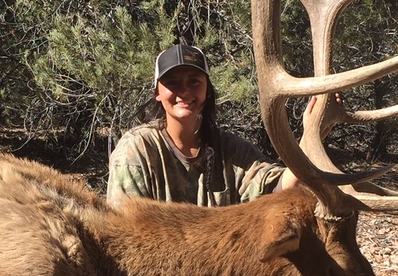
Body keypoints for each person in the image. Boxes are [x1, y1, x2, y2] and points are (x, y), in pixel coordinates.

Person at [106, 43, 304, 207]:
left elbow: (277, 189)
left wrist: (311, 135)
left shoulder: (231, 150)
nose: (184, 92)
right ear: (157, 92)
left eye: (194, 81)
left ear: (207, 90)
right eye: (172, 83)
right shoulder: (135, 151)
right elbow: (124, 230)